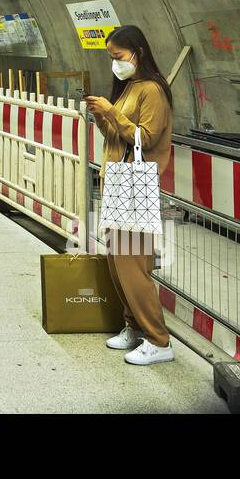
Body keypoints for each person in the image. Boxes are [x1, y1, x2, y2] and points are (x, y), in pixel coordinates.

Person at [84, 24, 175, 367]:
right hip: (117, 186)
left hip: (135, 191)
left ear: (137, 52)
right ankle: (132, 326)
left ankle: (159, 339)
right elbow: (117, 136)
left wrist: (112, 111)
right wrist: (101, 117)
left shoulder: (152, 90)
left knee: (133, 267)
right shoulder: (130, 88)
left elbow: (146, 138)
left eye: (118, 56)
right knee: (117, 263)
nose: (115, 63)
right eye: (111, 58)